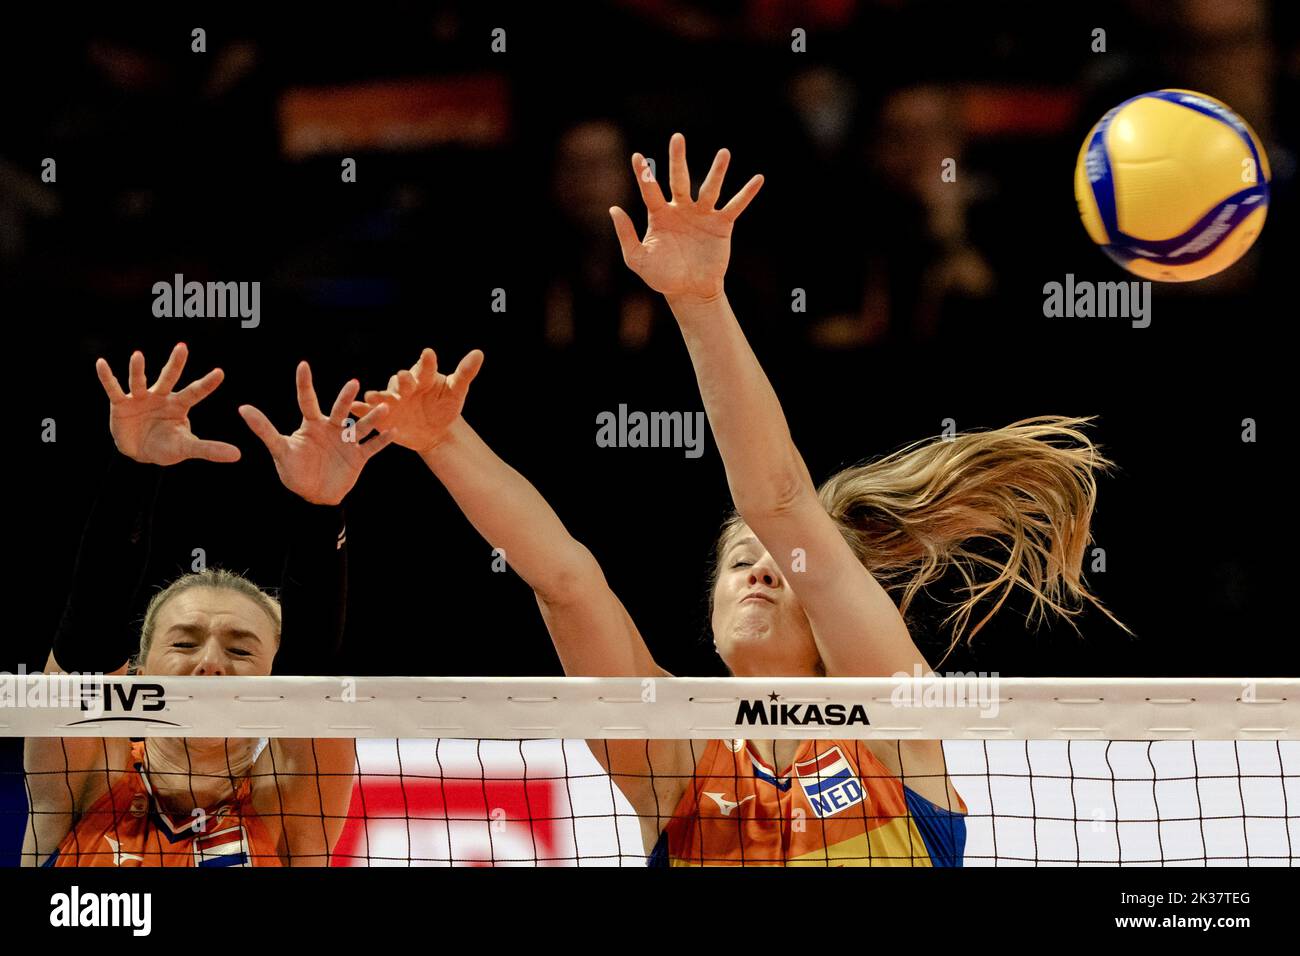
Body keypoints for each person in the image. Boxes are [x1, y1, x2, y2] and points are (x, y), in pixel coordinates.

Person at [352, 138, 1124, 866]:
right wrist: (446, 445)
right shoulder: (677, 757)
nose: (758, 573)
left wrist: (697, 301)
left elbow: (780, 503)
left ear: (829, 609)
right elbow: (564, 581)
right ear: (712, 613)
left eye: (777, 568)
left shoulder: (892, 721)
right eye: (738, 564)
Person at [23, 343, 391, 866]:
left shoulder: (285, 804)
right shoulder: (85, 782)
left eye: (242, 652)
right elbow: (88, 634)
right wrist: (132, 471)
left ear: (276, 684)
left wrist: (320, 510)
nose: (211, 664)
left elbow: (315, 672)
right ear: (137, 672)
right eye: (184, 641)